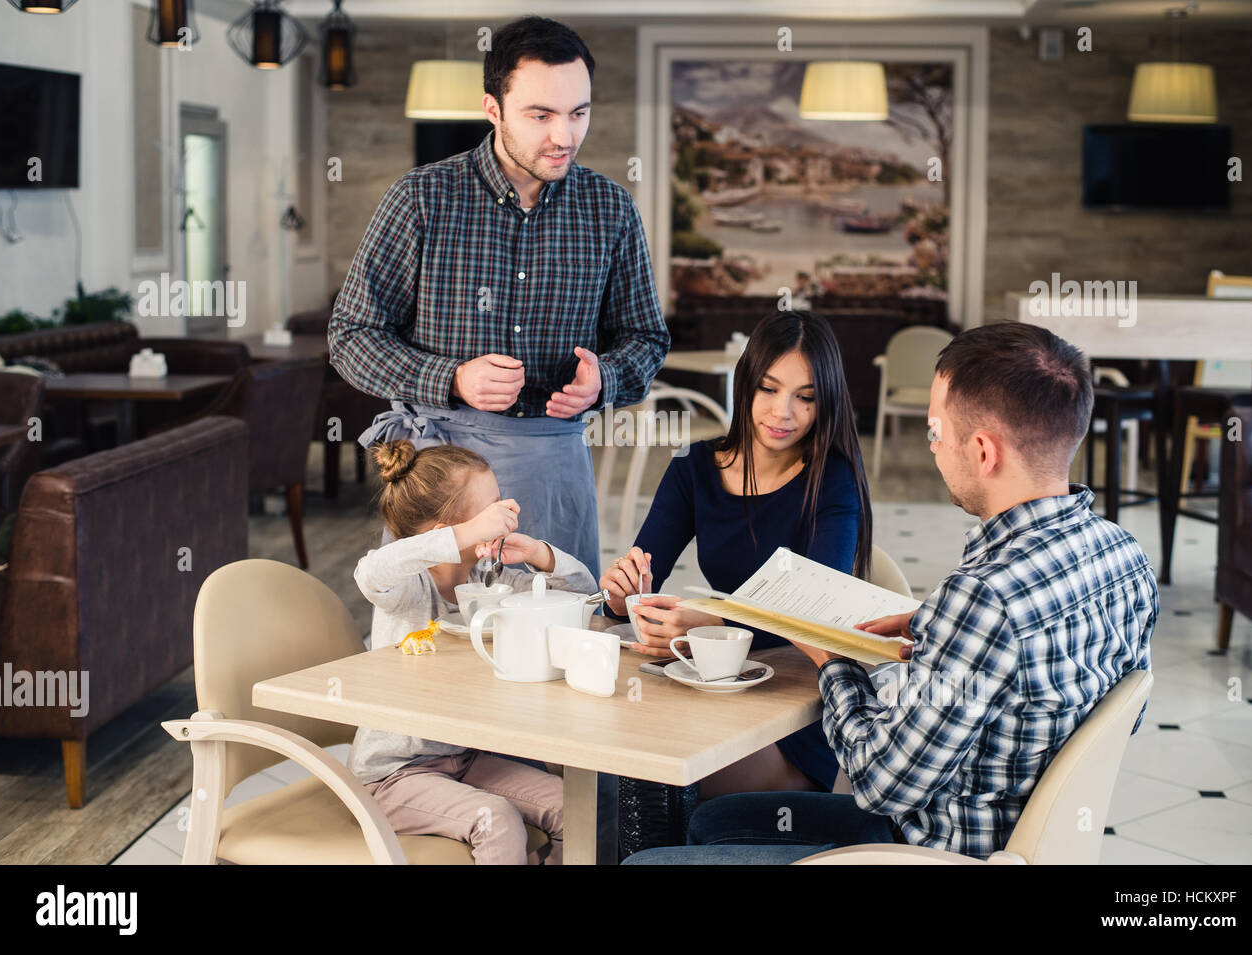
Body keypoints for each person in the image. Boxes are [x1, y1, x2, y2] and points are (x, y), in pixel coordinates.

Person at [623, 321, 1158, 864]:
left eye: (935, 432)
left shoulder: (982, 598)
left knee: (642, 863)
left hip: (936, 848)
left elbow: (882, 785)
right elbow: (1119, 718)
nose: (933, 449)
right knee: (715, 821)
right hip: (1019, 832)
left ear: (981, 450)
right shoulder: (1123, 555)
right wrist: (944, 634)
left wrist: (830, 653)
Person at [329, 16, 669, 579]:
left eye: (578, 113)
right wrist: (452, 379)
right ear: (494, 109)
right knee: (430, 646)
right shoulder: (421, 199)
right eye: (541, 115)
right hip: (440, 476)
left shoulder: (611, 210)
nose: (563, 135)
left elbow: (646, 338)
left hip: (553, 470)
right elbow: (350, 336)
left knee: (558, 638)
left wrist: (604, 378)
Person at [600, 309, 873, 796]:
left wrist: (715, 626)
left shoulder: (833, 479)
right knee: (623, 742)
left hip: (792, 703)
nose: (782, 413)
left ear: (824, 402)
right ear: (744, 382)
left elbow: (814, 613)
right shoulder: (693, 466)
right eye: (768, 389)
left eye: (805, 398)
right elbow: (642, 576)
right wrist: (625, 597)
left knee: (656, 769)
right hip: (711, 680)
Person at [347, 440, 596, 865]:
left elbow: (584, 597)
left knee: (573, 805)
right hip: (393, 774)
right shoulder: (409, 589)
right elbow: (370, 573)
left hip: (463, 758)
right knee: (496, 819)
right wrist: (465, 534)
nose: (508, 512)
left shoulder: (488, 581)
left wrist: (538, 554)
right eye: (492, 509)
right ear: (441, 531)